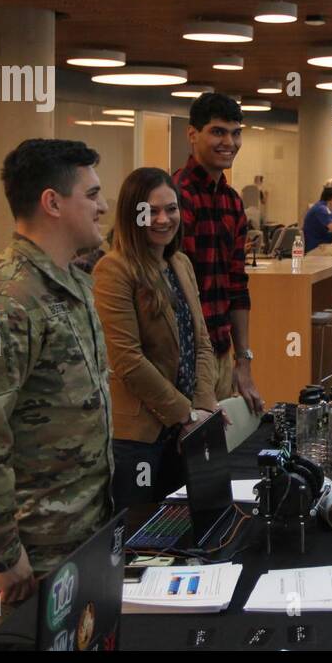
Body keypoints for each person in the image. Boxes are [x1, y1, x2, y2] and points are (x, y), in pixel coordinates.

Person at [0, 139, 111, 650]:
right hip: (16, 563)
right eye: (92, 194)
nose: (102, 206)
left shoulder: (69, 285)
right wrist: (5, 554)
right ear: (53, 203)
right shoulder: (2, 303)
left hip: (68, 545)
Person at [93, 168, 220, 511]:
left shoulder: (179, 263)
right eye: (151, 211)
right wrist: (186, 415)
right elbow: (127, 361)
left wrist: (204, 405)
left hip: (187, 431)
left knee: (183, 531)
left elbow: (202, 342)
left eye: (171, 208)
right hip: (141, 437)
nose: (163, 219)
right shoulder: (114, 269)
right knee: (140, 539)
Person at [172, 93, 264, 410]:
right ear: (192, 134)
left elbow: (237, 285)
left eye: (236, 133)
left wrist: (244, 361)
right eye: (218, 132)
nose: (229, 142)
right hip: (182, 356)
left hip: (222, 351)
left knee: (220, 455)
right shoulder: (174, 199)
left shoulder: (232, 202)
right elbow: (172, 292)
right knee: (188, 454)